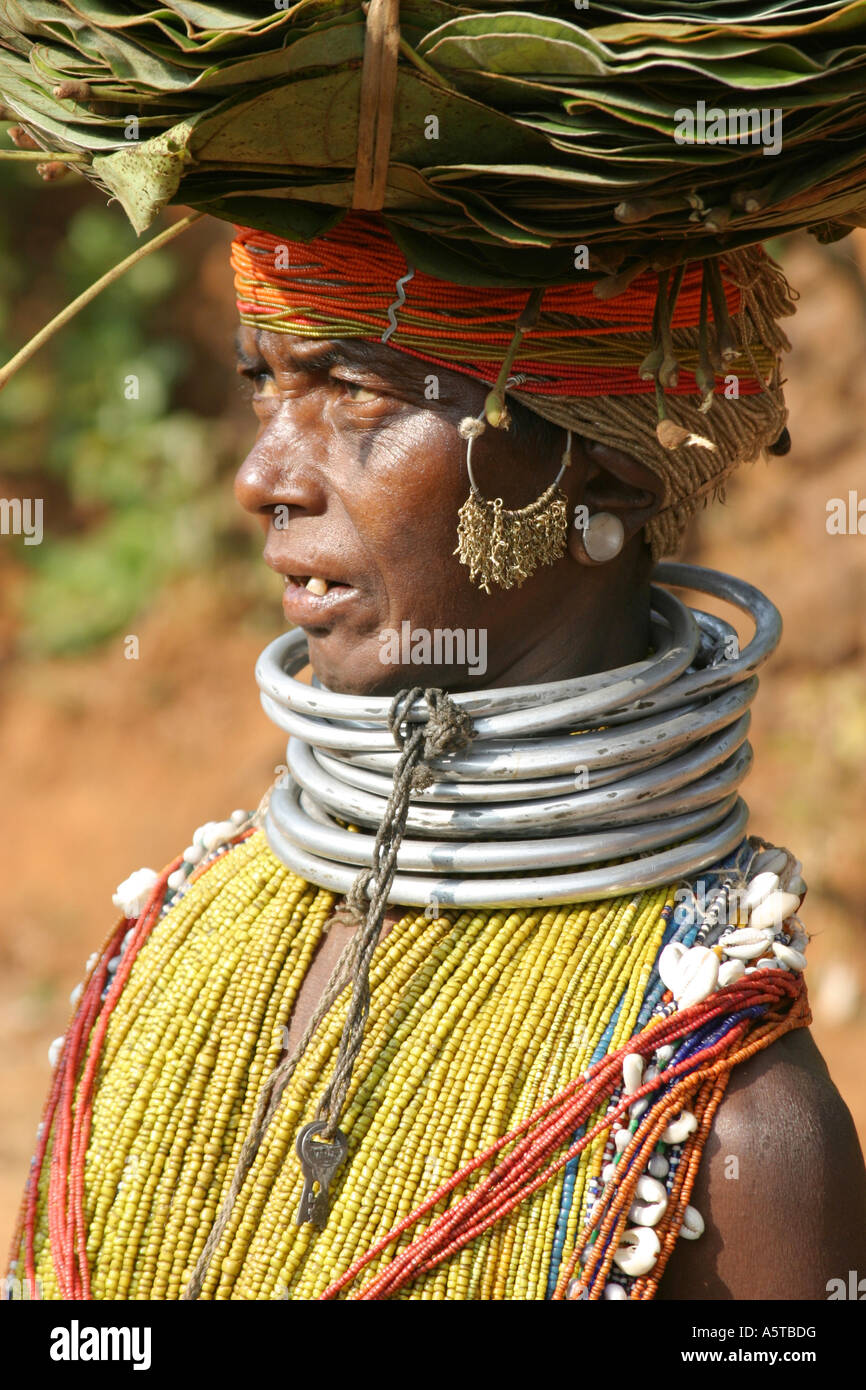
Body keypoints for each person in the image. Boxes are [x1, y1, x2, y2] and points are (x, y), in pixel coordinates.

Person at [7, 209, 866, 1303]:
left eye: (357, 391)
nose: (263, 474)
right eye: (262, 381)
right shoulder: (163, 954)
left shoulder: (731, 1125)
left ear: (599, 469)